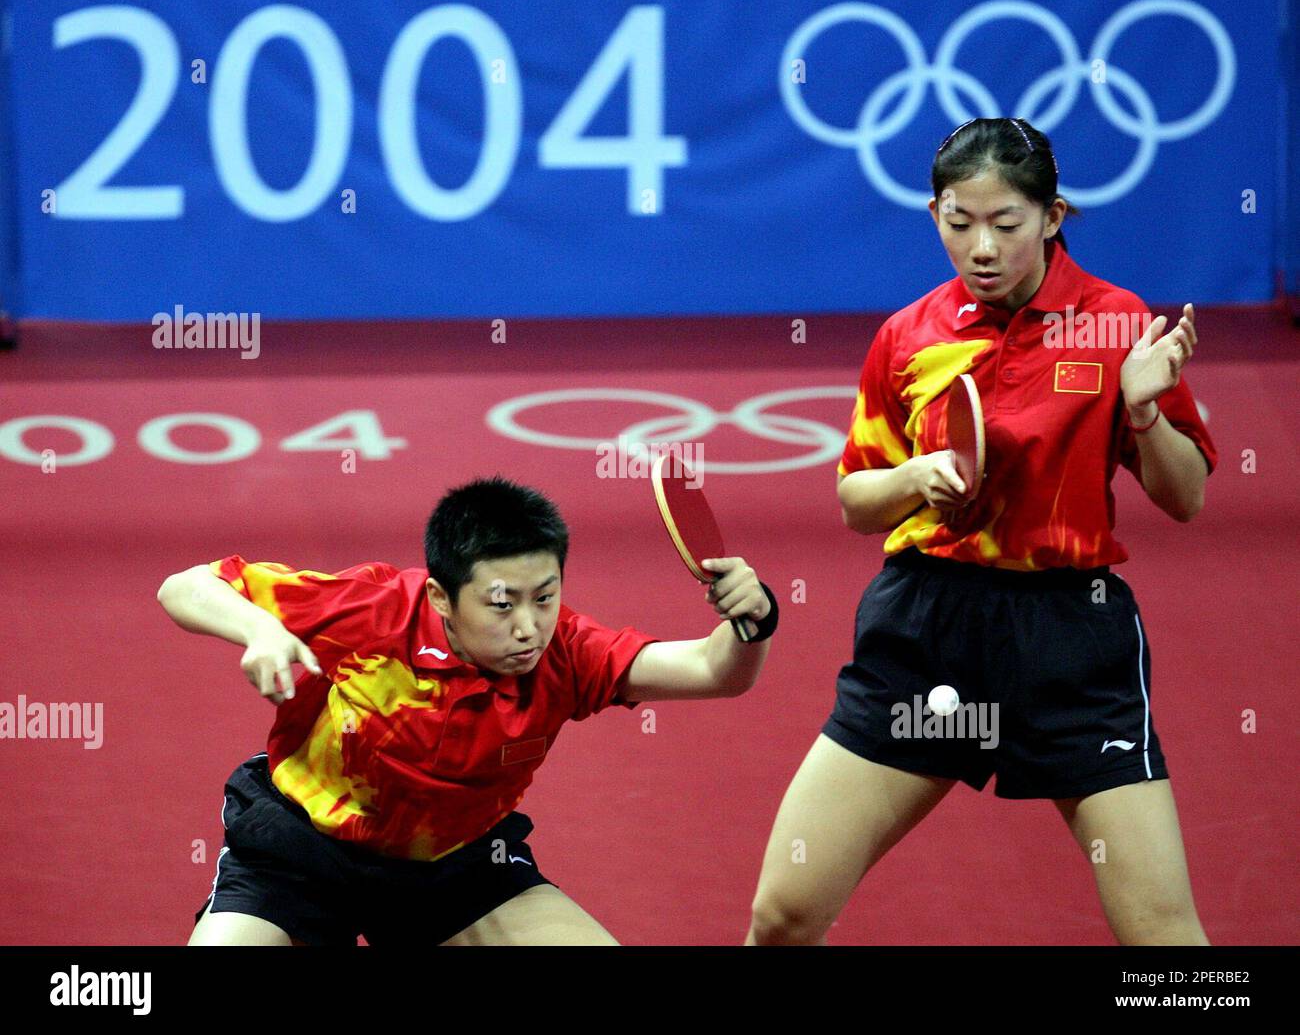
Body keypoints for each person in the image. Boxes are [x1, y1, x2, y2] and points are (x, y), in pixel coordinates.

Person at [746, 117, 1216, 946]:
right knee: (784, 913)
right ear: (935, 214)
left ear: (1054, 215)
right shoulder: (909, 335)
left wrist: (1142, 409)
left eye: (1006, 223)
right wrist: (911, 480)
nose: (982, 246)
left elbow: (1185, 498)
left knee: (1162, 935)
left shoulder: (1116, 322)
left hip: (1069, 639)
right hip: (929, 631)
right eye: (959, 223)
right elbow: (857, 500)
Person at [160, 476, 777, 945]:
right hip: (299, 853)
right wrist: (258, 631)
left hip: (454, 867)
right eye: (502, 604)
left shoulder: (567, 652)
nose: (528, 628)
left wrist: (753, 621)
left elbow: (712, 671)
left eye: (546, 597)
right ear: (441, 596)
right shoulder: (376, 611)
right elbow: (185, 587)